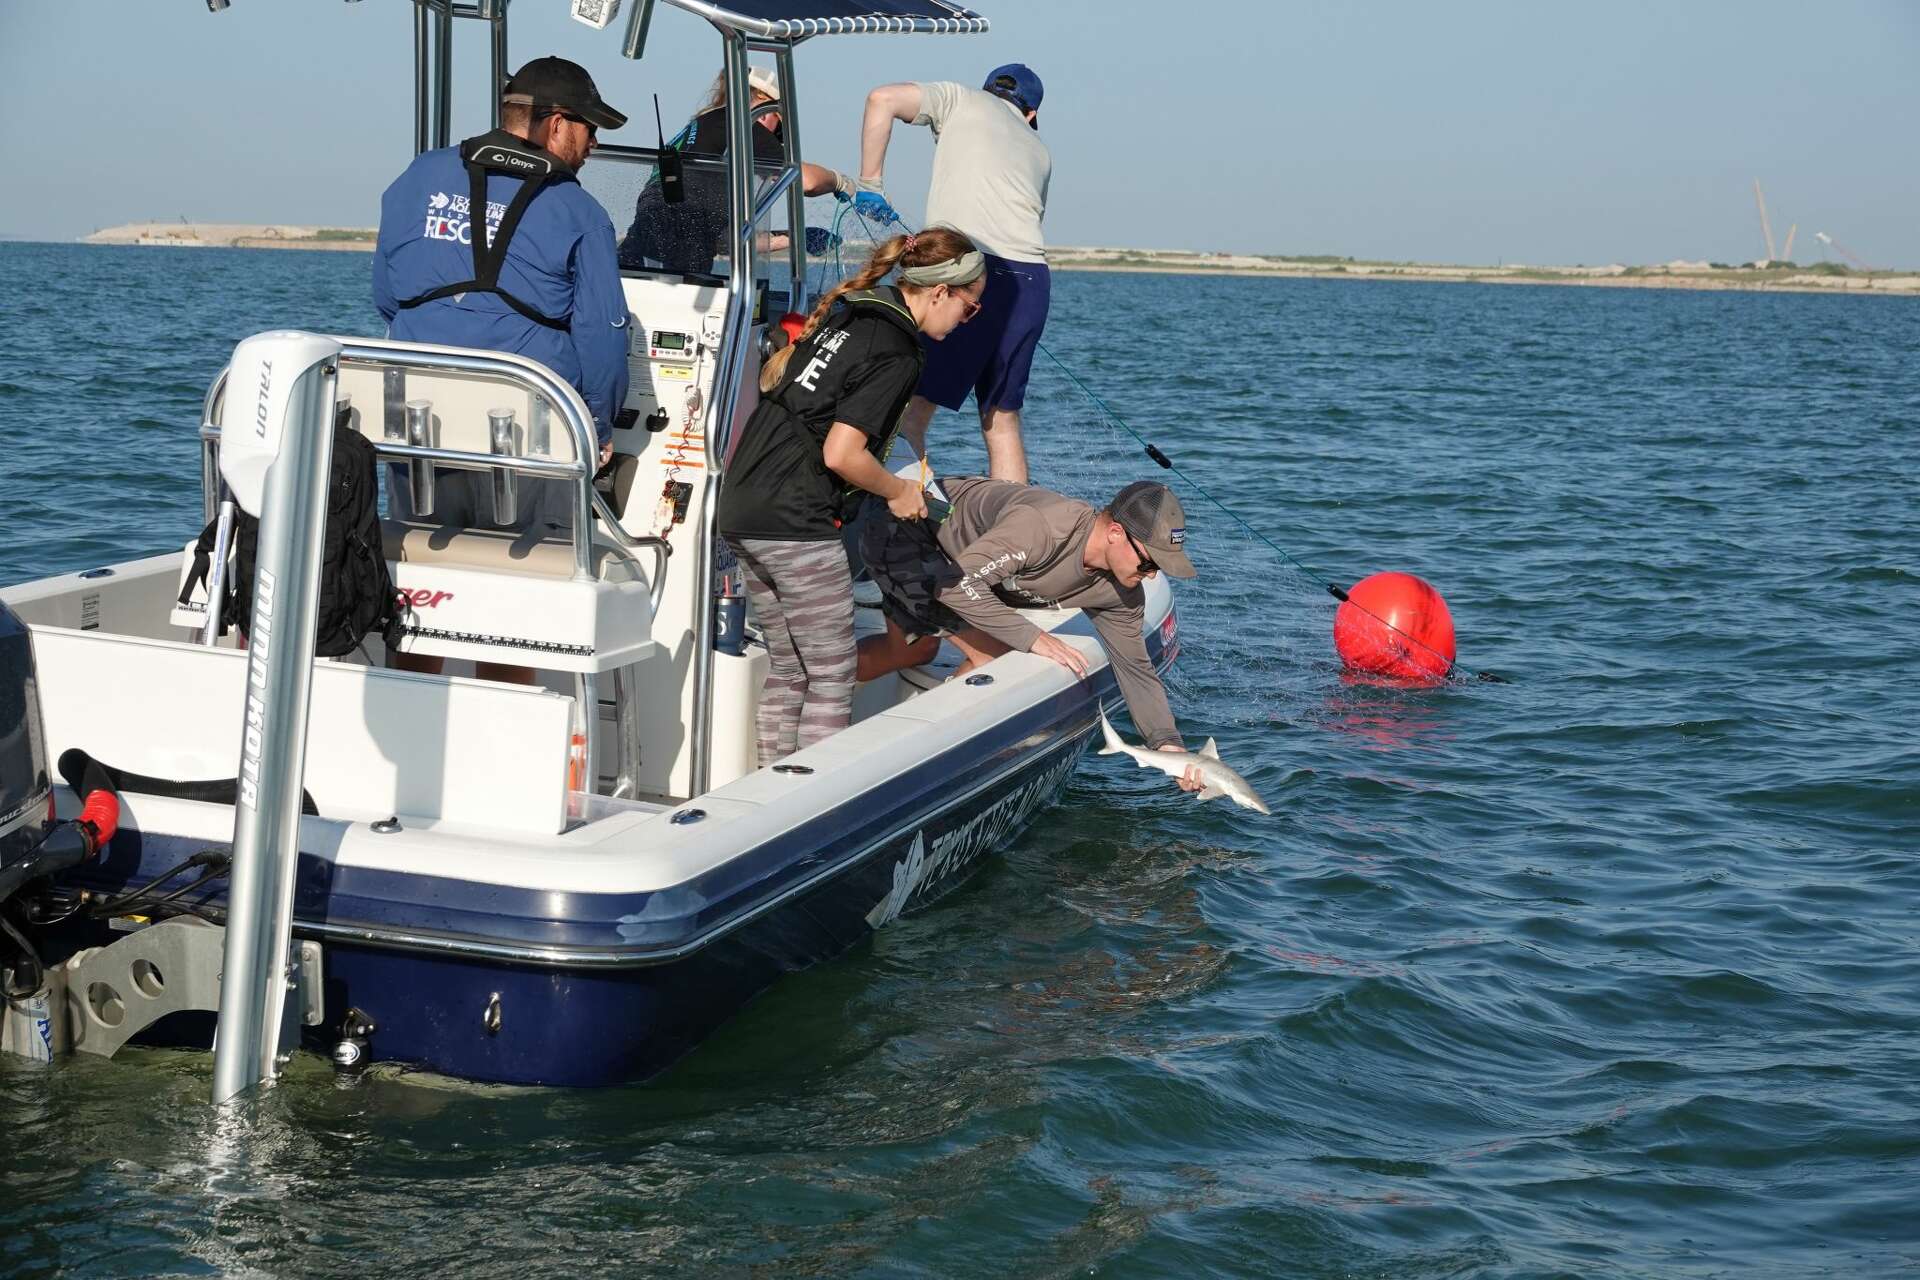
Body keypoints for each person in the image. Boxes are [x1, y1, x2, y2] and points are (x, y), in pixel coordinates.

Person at [372, 55, 631, 680]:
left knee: (419, 581)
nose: (593, 145)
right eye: (589, 129)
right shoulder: (580, 212)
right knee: (521, 589)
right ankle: (502, 729)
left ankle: (411, 699)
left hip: (417, 427)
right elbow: (602, 335)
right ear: (555, 124)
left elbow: (385, 295)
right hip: (523, 432)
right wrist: (597, 428)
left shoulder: (417, 176)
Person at [717, 228, 987, 764]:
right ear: (940, 292)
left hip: (743, 505)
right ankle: (807, 803)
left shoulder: (856, 315)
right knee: (832, 674)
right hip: (796, 520)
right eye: (969, 307)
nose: (965, 320)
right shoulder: (897, 349)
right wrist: (898, 492)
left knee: (791, 668)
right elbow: (842, 453)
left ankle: (773, 786)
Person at [857, 477, 1206, 788]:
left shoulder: (1120, 592)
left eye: (1159, 568)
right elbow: (957, 586)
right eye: (1149, 562)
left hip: (956, 565)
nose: (1150, 575)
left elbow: (1136, 671)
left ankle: (822, 678)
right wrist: (1033, 637)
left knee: (913, 653)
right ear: (1116, 534)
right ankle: (924, 777)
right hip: (903, 529)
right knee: (994, 661)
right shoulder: (1043, 529)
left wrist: (1168, 745)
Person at [853, 64, 1051, 484]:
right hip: (1032, 280)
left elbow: (881, 98)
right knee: (1001, 418)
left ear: (988, 90)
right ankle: (1013, 527)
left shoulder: (961, 99)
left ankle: (901, 519)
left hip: (966, 270)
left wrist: (869, 182)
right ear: (1030, 114)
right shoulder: (1040, 150)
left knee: (915, 406)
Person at [620, 66, 854, 276]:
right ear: (765, 109)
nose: (775, 140)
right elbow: (807, 181)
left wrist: (793, 238)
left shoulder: (703, 129)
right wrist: (839, 181)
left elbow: (723, 241)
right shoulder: (744, 124)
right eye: (778, 128)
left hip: (635, 258)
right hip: (680, 258)